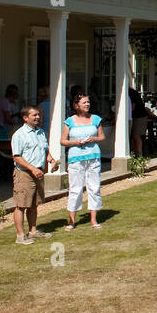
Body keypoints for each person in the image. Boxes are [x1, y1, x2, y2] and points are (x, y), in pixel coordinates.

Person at [10, 105, 54, 244]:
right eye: (34, 115)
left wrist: (50, 159)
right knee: (21, 205)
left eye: (38, 115)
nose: (38, 117)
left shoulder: (40, 132)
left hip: (38, 173)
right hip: (24, 174)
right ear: (25, 118)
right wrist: (32, 168)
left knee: (34, 204)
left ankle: (33, 231)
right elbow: (17, 157)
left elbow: (45, 149)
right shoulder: (19, 135)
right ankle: (20, 236)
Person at [62, 93, 105, 230]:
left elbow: (102, 137)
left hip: (93, 157)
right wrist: (75, 142)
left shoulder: (95, 119)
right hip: (75, 159)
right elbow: (63, 140)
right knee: (75, 188)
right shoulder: (70, 121)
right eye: (84, 102)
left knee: (94, 187)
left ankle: (93, 219)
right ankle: (72, 221)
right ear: (76, 105)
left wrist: (94, 139)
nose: (87, 104)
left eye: (88, 102)